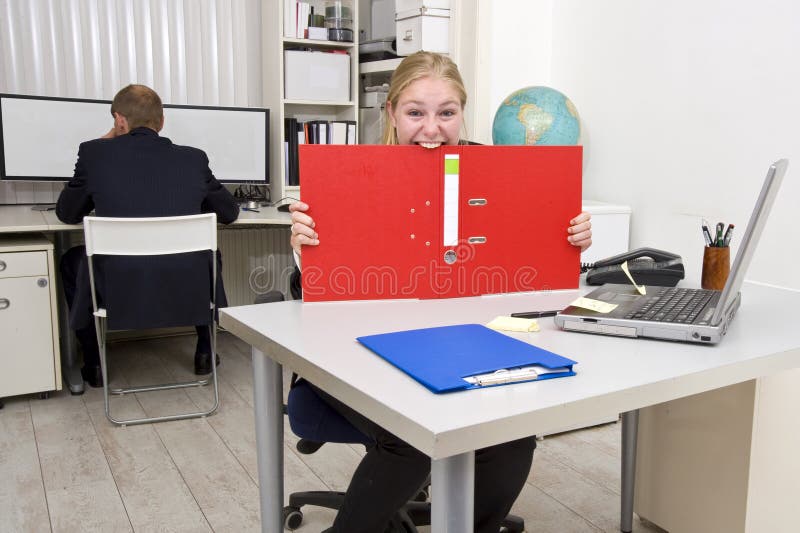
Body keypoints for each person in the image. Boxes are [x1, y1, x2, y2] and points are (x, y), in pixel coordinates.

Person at [286, 52, 592, 533]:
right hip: (354, 356)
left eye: (446, 113)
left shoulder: (492, 178)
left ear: (463, 113)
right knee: (407, 439)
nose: (432, 129)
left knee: (512, 437)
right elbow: (319, 301)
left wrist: (566, 239)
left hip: (455, 348)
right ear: (390, 113)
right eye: (415, 113)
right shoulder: (348, 176)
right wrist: (306, 251)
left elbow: (527, 278)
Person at [57, 84, 239, 387]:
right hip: (184, 282)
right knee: (207, 255)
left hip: (118, 282)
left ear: (119, 120)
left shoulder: (94, 154)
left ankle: (94, 362)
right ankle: (205, 352)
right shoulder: (193, 159)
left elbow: (68, 214)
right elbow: (230, 213)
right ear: (162, 122)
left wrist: (105, 140)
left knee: (72, 261)